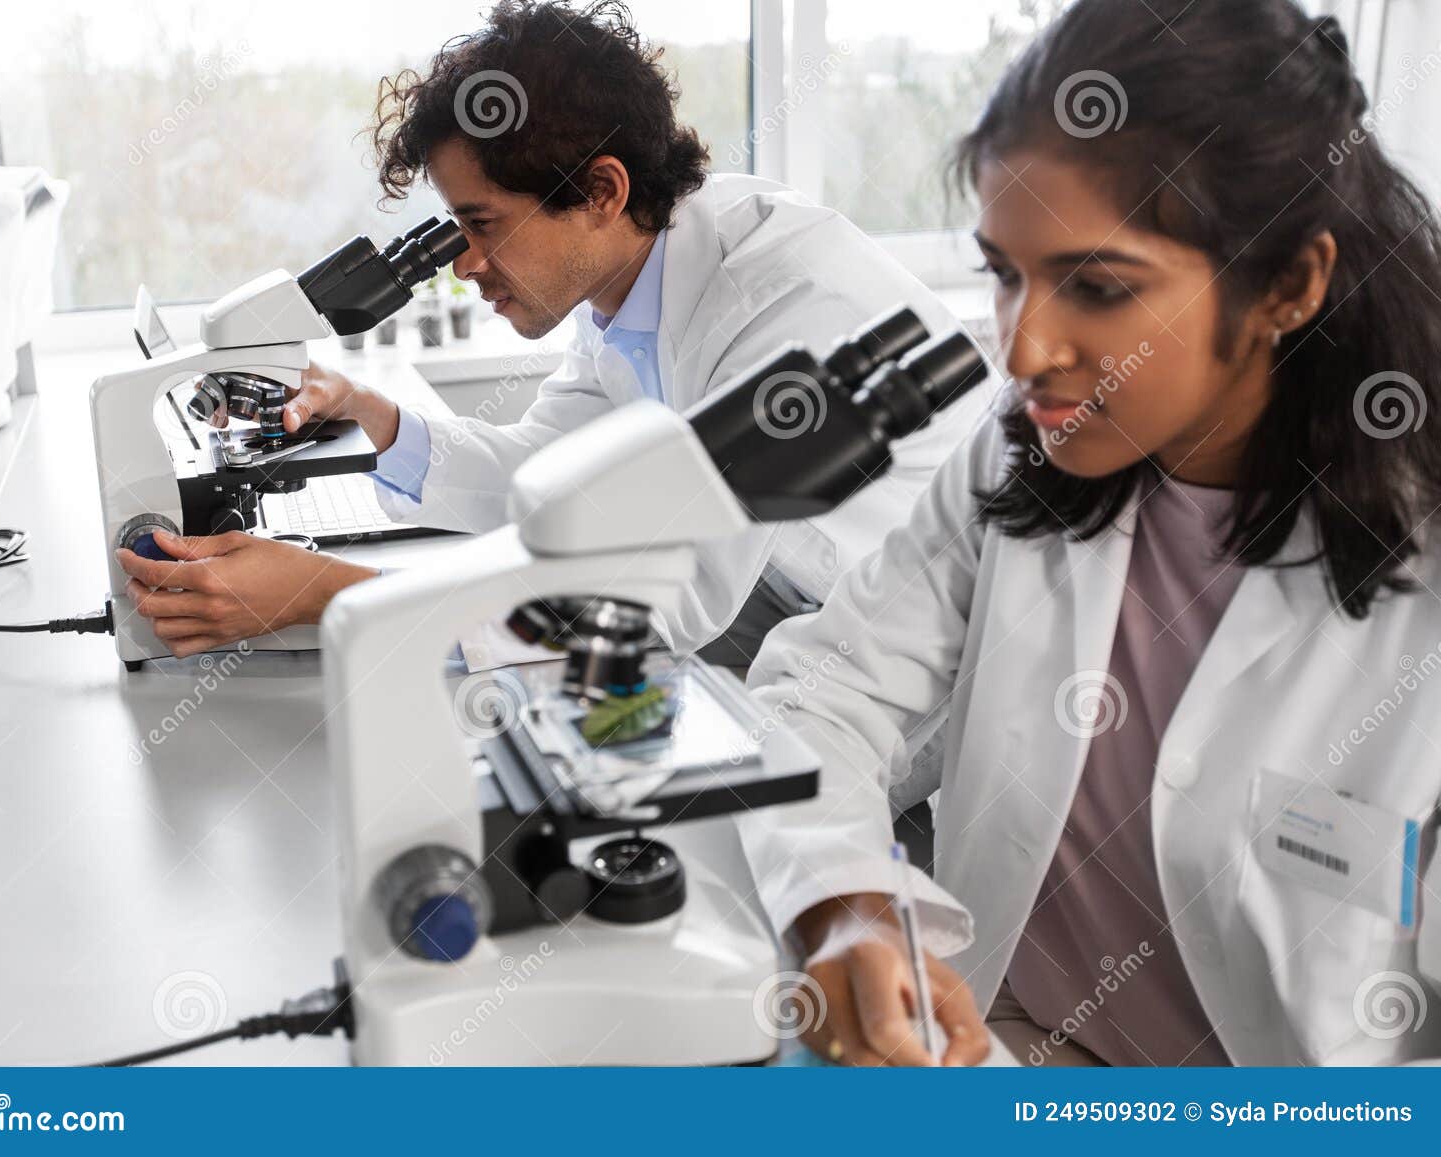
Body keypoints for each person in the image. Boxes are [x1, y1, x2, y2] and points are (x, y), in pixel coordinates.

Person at [738, 0, 1441, 1067]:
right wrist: (843, 900)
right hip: (1001, 1051)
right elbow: (822, 693)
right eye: (1004, 272)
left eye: (1098, 287)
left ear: (1288, 283)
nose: (1022, 347)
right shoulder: (1020, 450)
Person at [115, 0, 991, 661]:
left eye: (483, 224)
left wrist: (329, 595)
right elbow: (546, 477)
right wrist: (376, 425)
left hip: (888, 649)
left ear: (600, 193)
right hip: (774, 587)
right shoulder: (626, 275)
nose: (462, 263)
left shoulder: (778, 312)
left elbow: (661, 610)